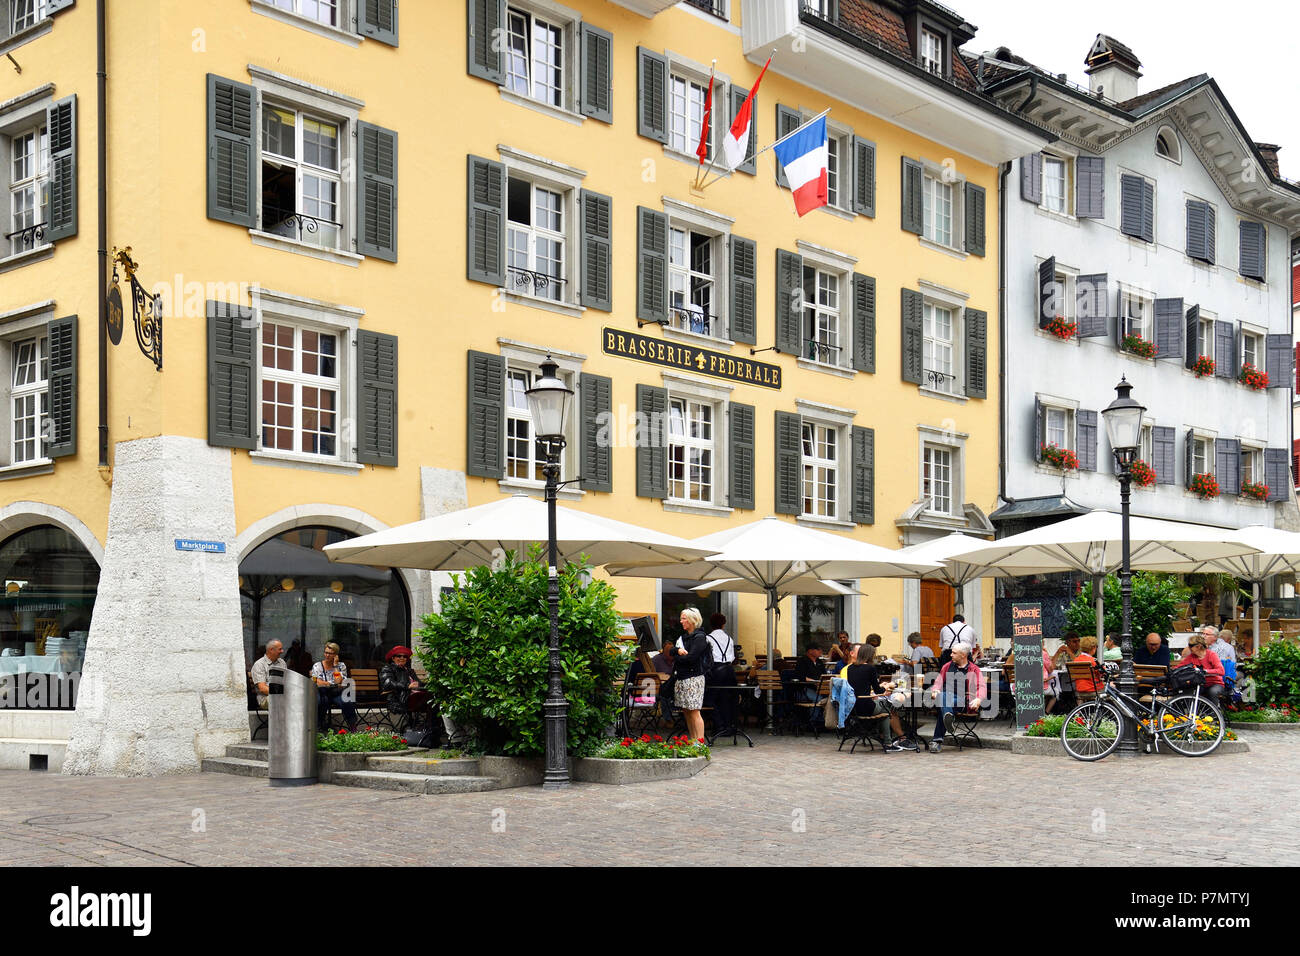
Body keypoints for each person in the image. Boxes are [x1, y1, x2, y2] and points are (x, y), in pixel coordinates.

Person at [840, 644, 913, 751]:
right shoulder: (870, 668)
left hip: (854, 707)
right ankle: (890, 742)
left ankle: (885, 738)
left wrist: (881, 688)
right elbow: (878, 691)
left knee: (884, 709)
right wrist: (888, 686)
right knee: (888, 706)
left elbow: (860, 687)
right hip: (867, 707)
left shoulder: (850, 668)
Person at [927, 642, 984, 753]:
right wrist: (935, 690)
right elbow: (938, 682)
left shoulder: (974, 669)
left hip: (963, 701)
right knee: (943, 697)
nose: (951, 655)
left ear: (963, 655)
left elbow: (981, 686)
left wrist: (978, 698)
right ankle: (948, 718)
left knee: (943, 700)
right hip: (946, 699)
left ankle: (937, 740)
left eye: (954, 653)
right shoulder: (947, 666)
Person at [666, 607, 711, 743]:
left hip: (693, 679)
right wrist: (678, 651)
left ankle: (700, 743)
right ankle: (693, 741)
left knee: (694, 711)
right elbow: (670, 651)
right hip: (682, 678)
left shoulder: (700, 637)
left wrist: (677, 656)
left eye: (684, 618)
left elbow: (691, 658)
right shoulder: (683, 638)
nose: (681, 621)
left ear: (692, 620)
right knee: (686, 711)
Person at [311, 642, 359, 732]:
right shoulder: (317, 666)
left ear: (336, 655)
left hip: (336, 693)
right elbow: (316, 681)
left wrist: (335, 666)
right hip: (322, 692)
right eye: (326, 652)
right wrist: (329, 684)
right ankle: (319, 727)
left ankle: (352, 726)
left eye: (330, 653)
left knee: (347, 701)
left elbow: (338, 681)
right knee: (320, 701)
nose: (327, 655)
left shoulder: (341, 666)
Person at [702, 613, 737, 733]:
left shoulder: (707, 638)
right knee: (728, 698)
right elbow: (732, 657)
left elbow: (706, 658)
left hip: (715, 670)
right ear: (723, 624)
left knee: (710, 699)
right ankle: (729, 726)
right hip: (729, 670)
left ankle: (719, 725)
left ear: (711, 625)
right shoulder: (729, 639)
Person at [380, 645, 428, 725]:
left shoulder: (410, 671)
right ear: (393, 658)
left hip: (415, 697)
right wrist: (407, 686)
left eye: (405, 656)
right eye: (399, 656)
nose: (402, 658)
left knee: (432, 698)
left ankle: (430, 726)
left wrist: (420, 684)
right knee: (428, 699)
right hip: (400, 699)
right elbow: (388, 683)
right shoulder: (387, 669)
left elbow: (418, 683)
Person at [1174, 632, 1226, 705]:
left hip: (1214, 683)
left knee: (1212, 692)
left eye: (1191, 645)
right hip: (1199, 683)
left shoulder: (1211, 655)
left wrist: (1205, 671)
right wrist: (1173, 670)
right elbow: (1180, 666)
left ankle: (1214, 711)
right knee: (1189, 692)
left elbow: (1221, 671)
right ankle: (1192, 711)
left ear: (1198, 646)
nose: (1189, 647)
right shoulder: (1191, 657)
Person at [249, 639, 283, 709]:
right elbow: (262, 688)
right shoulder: (259, 664)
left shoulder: (282, 663)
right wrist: (282, 693)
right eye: (280, 649)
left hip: (282, 696)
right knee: (283, 699)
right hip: (265, 699)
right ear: (271, 650)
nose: (282, 651)